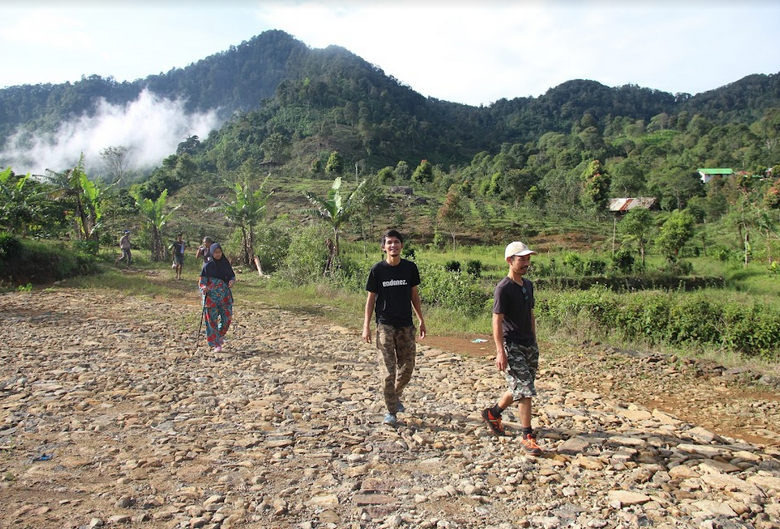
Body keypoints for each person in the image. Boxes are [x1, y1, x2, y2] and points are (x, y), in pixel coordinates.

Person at [482, 241, 543, 456]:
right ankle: (527, 436)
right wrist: (500, 351)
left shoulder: (528, 285)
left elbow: (530, 314)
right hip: (512, 344)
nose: (526, 263)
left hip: (528, 344)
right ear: (510, 261)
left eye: (528, 258)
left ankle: (493, 413)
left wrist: (534, 341)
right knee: (525, 389)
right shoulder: (503, 288)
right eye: (522, 259)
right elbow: (496, 320)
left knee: (521, 385)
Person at [362, 229, 426, 427]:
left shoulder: (410, 268)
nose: (393, 245)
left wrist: (421, 319)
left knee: (407, 370)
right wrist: (366, 326)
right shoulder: (377, 270)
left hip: (406, 325)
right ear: (383, 247)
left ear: (401, 246)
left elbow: (414, 295)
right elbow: (370, 299)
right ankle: (391, 411)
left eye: (396, 242)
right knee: (388, 373)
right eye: (389, 242)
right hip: (385, 325)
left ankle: (395, 396)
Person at [198, 243, 236, 353]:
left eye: (219, 252)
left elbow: (231, 276)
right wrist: (204, 287)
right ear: (211, 252)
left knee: (227, 318)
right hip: (211, 298)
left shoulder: (225, 264)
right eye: (215, 252)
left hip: (225, 297)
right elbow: (201, 282)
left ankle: (220, 335)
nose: (218, 254)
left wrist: (232, 281)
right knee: (211, 321)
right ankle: (215, 343)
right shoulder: (207, 266)